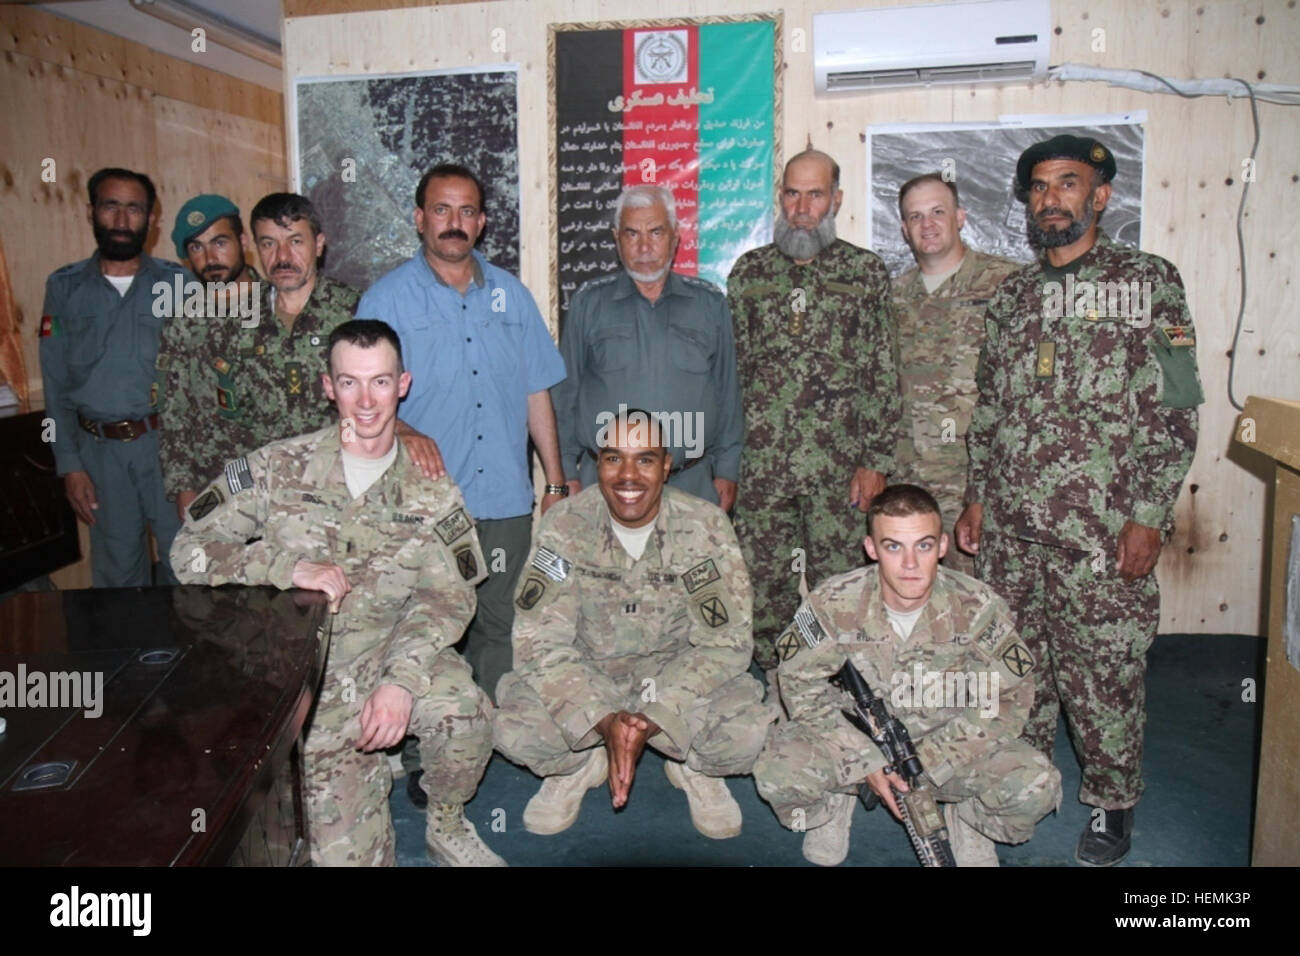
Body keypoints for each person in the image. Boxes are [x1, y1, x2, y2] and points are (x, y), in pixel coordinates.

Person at [171, 320, 503, 867]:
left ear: (404, 384)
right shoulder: (274, 467)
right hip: (303, 680)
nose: (366, 401)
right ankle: (363, 769)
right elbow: (190, 548)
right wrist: (283, 564)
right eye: (349, 383)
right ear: (328, 387)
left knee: (465, 712)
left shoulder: (433, 490)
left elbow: (448, 597)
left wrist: (400, 681)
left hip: (389, 653)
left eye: (380, 382)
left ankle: (445, 819)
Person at [955, 134, 1202, 866]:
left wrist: (1149, 514)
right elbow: (991, 409)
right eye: (1038, 186)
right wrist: (976, 497)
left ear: (1101, 196)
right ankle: (1025, 784)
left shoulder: (1147, 282)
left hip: (1102, 531)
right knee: (1016, 666)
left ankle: (1111, 801)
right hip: (1013, 528)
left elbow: (1177, 406)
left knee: (1102, 670)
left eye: (1068, 183)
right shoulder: (1014, 298)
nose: (1050, 198)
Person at [494, 408, 775, 839]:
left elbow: (726, 642)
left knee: (746, 736)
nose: (628, 475)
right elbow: (538, 641)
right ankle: (579, 762)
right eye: (613, 458)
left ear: (666, 466)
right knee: (513, 728)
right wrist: (601, 716)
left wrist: (658, 714)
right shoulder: (564, 525)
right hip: (591, 677)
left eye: (645, 459)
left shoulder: (704, 527)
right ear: (596, 464)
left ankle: (692, 766)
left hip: (676, 680)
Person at [754, 484, 1061, 867]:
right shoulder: (832, 602)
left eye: (924, 545)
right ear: (871, 549)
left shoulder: (977, 605)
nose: (911, 564)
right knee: (777, 772)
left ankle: (970, 817)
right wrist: (863, 760)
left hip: (949, 743)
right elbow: (799, 685)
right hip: (853, 739)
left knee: (1035, 786)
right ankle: (833, 805)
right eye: (894, 547)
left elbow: (1008, 696)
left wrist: (931, 759)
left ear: (943, 546)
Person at [356, 164, 567, 706]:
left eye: (467, 211)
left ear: (482, 222)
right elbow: (362, 402)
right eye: (442, 210)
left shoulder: (511, 296)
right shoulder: (386, 301)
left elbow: (536, 390)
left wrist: (556, 483)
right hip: (427, 502)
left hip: (503, 498)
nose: (454, 222)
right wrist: (405, 427)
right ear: (419, 218)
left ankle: (496, 734)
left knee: (501, 626)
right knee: (424, 629)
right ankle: (428, 744)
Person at [157, 191, 443, 520]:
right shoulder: (233, 318)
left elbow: (384, 394)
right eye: (268, 243)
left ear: (319, 243)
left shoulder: (356, 311)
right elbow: (201, 413)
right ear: (254, 247)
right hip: (256, 497)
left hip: (335, 493)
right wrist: (190, 489)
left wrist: (404, 434)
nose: (282, 256)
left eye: (295, 241)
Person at [727, 149, 902, 670]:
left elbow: (883, 372)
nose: (802, 207)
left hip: (839, 470)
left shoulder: (864, 272)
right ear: (780, 198)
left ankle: (845, 685)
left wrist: (876, 460)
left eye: (815, 194)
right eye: (792, 193)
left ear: (836, 200)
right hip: (762, 469)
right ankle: (779, 685)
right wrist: (727, 459)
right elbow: (730, 373)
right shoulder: (749, 273)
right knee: (765, 586)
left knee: (844, 585)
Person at [39, 167, 187, 586]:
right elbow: (53, 384)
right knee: (118, 582)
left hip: (168, 449)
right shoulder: (65, 288)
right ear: (91, 212)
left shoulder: (179, 284)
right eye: (111, 207)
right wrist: (69, 466)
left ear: (151, 219)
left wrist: (197, 464)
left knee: (189, 568)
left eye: (134, 209)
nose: (122, 222)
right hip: (98, 455)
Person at [552, 185, 742, 511]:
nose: (644, 247)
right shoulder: (589, 303)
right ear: (616, 238)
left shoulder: (709, 304)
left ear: (675, 236)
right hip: (608, 487)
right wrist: (567, 471)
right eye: (632, 234)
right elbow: (565, 396)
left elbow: (728, 394)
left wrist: (727, 469)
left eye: (655, 232)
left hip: (692, 486)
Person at [891, 173, 1020, 576]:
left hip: (976, 486)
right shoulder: (892, 296)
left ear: (960, 217)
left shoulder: (1007, 284)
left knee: (978, 606)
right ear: (904, 229)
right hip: (908, 483)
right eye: (915, 217)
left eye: (937, 212)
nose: (927, 225)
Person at [170, 193, 259, 287]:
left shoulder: (273, 298)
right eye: (196, 248)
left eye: (220, 243)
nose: (210, 260)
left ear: (243, 242)